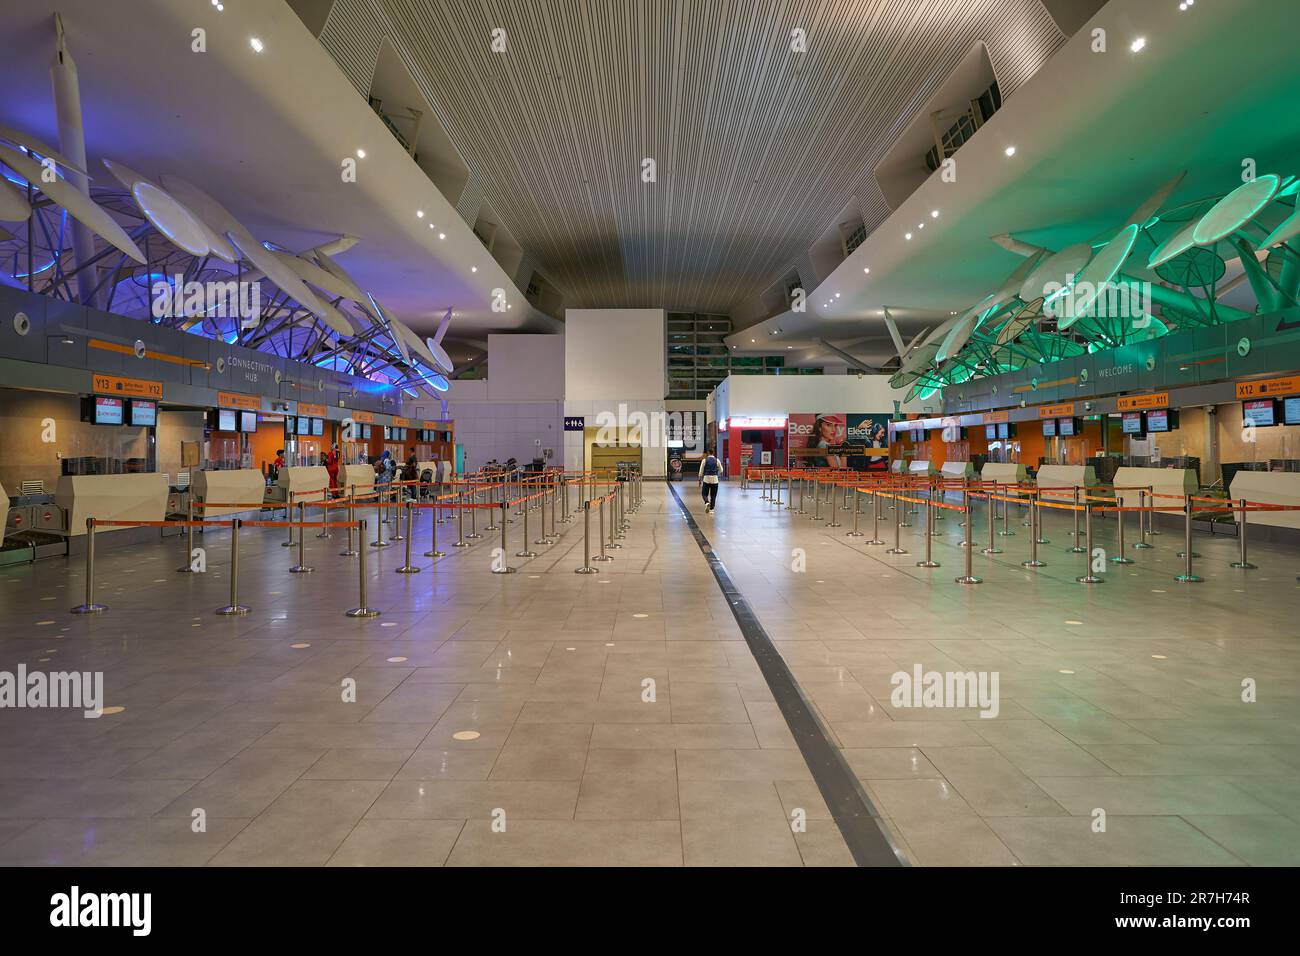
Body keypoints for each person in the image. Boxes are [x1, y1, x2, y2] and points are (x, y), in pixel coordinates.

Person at [699, 447, 721, 513]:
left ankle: (706, 502)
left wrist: (700, 479)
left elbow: (701, 471)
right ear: (713, 453)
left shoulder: (704, 460)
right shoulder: (717, 460)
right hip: (715, 480)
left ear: (708, 453)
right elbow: (721, 470)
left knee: (704, 493)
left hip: (706, 479)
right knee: (713, 495)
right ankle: (711, 509)